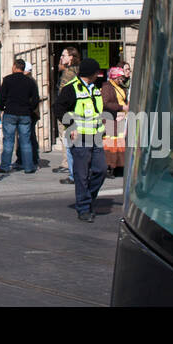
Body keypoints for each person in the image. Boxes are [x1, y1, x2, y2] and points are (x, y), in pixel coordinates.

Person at [55, 58, 107, 222]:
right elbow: (58, 108)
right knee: (82, 175)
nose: (99, 75)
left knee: (101, 170)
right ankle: (84, 208)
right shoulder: (71, 89)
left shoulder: (96, 88)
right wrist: (71, 126)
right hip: (80, 139)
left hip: (96, 136)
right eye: (97, 72)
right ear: (91, 74)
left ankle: (88, 198)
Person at [0, 59, 38, 174]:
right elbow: (35, 99)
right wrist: (29, 109)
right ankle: (29, 167)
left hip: (10, 112)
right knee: (25, 141)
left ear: (15, 67)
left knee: (8, 141)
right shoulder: (30, 81)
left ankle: (5, 167)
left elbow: (1, 97)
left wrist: (2, 107)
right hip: (25, 113)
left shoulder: (7, 80)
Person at [53, 47, 81, 181]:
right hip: (74, 111)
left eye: (64, 55)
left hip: (67, 111)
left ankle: (67, 166)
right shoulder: (77, 71)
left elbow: (62, 94)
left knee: (67, 140)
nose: (61, 58)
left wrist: (59, 109)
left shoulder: (68, 74)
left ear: (71, 57)